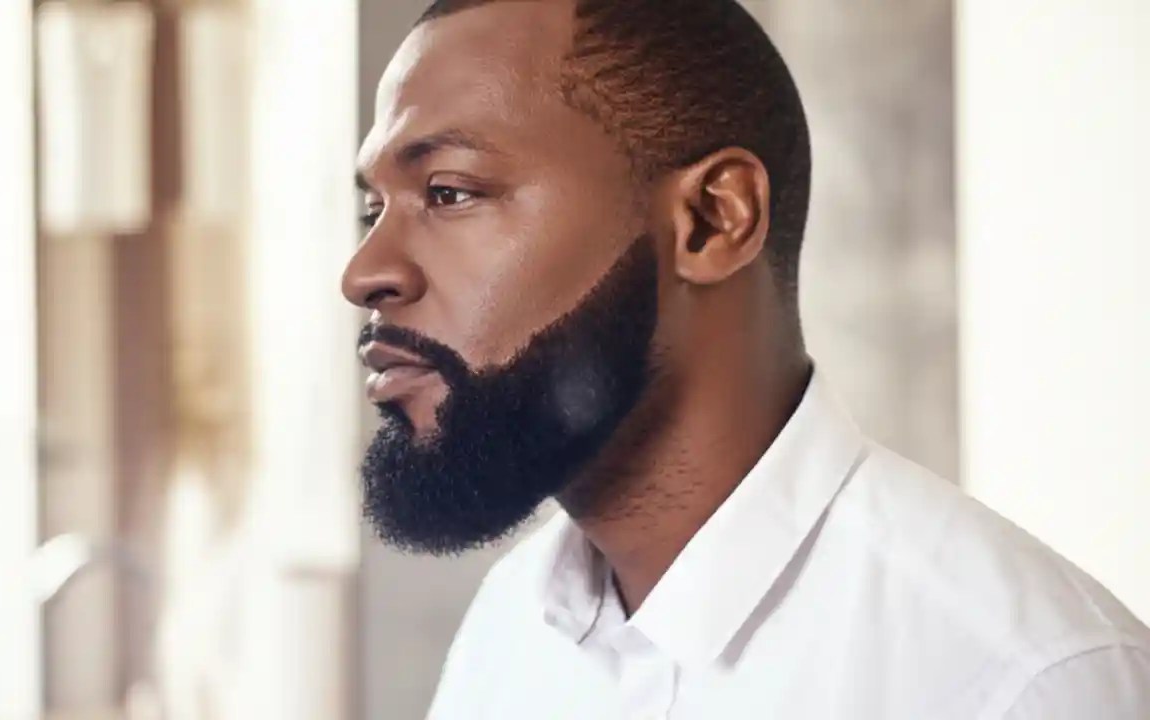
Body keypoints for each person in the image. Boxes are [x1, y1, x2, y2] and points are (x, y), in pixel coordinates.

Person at [341, 0, 1150, 717]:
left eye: (449, 192)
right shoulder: (510, 631)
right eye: (372, 208)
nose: (365, 271)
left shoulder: (1029, 684)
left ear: (712, 220)